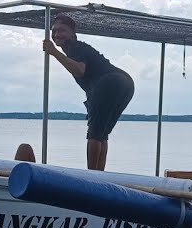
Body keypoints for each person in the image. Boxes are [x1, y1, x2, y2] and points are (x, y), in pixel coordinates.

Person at [43, 15, 135, 171]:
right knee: (102, 133)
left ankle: (92, 175)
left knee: (94, 134)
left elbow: (79, 70)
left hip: (109, 82)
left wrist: (53, 52)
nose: (57, 34)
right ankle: (99, 173)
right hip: (126, 83)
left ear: (73, 33)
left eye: (62, 30)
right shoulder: (76, 48)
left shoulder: (75, 47)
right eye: (54, 31)